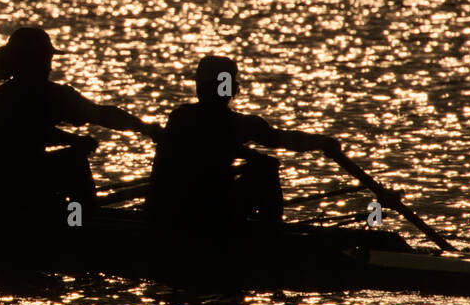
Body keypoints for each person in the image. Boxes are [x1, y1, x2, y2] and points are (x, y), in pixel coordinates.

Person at [0, 26, 161, 230]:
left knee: (60, 164)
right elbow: (27, 134)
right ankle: (77, 226)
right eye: (46, 59)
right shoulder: (35, 97)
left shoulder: (2, 98)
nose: (50, 67)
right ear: (31, 62)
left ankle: (70, 219)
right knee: (74, 164)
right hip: (1, 192)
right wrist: (76, 141)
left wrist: (144, 128)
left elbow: (100, 115)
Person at [144, 55, 344, 228]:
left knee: (262, 168)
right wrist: (253, 156)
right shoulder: (192, 118)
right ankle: (272, 237)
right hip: (190, 212)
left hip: (192, 209)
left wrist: (321, 142)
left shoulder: (192, 117)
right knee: (266, 172)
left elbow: (279, 138)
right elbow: (214, 142)